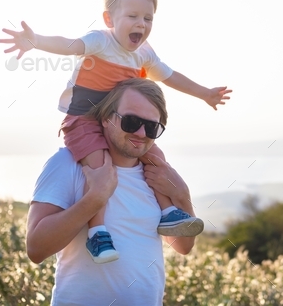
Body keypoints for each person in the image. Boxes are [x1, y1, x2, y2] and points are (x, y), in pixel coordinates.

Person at [0, 0, 231, 263]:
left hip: (120, 124)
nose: (141, 24)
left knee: (157, 160)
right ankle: (97, 232)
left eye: (148, 18)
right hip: (84, 119)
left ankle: (169, 213)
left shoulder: (144, 54)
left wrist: (204, 93)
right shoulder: (101, 41)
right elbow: (69, 45)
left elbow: (170, 76)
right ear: (110, 19)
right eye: (132, 16)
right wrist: (36, 40)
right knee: (99, 167)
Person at [27, 78, 197, 305]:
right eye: (131, 121)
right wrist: (95, 198)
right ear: (106, 117)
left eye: (151, 126)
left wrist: (182, 195)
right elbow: (36, 248)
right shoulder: (66, 164)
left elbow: (183, 246)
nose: (140, 132)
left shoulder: (156, 175)